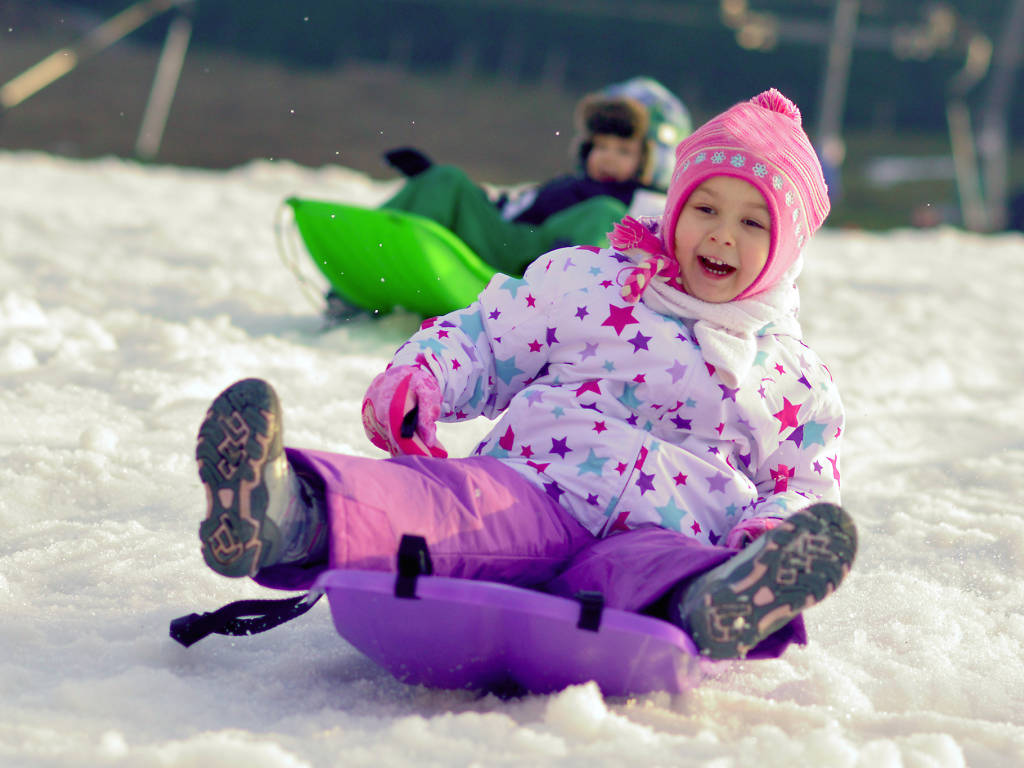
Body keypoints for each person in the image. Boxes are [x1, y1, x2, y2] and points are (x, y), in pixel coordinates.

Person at [196, 88, 856, 661]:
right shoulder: (592, 282)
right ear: (675, 204)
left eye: (752, 222)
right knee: (443, 505)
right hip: (534, 485)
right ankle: (286, 511)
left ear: (788, 250)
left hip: (667, 532)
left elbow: (804, 483)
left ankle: (722, 601)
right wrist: (425, 373)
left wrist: (767, 534)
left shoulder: (793, 379)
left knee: (660, 574)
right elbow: (486, 338)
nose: (721, 235)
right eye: (705, 209)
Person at [377, 90, 660, 278]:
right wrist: (434, 181)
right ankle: (380, 240)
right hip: (506, 239)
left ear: (641, 161)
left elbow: (660, 231)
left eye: (623, 151)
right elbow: (512, 207)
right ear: (587, 151)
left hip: (538, 262)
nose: (610, 158)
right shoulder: (566, 184)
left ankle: (575, 276)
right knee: (447, 177)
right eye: (602, 147)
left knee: (604, 210)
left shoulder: (637, 199)